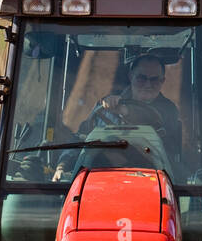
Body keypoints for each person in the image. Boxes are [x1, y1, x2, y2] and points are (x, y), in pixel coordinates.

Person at [53, 53, 183, 180]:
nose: (148, 85)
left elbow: (155, 120)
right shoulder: (106, 108)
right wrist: (63, 166)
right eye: (141, 78)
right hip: (101, 178)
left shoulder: (168, 110)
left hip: (153, 179)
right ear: (131, 76)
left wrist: (125, 110)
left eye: (154, 80)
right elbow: (81, 138)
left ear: (162, 81)